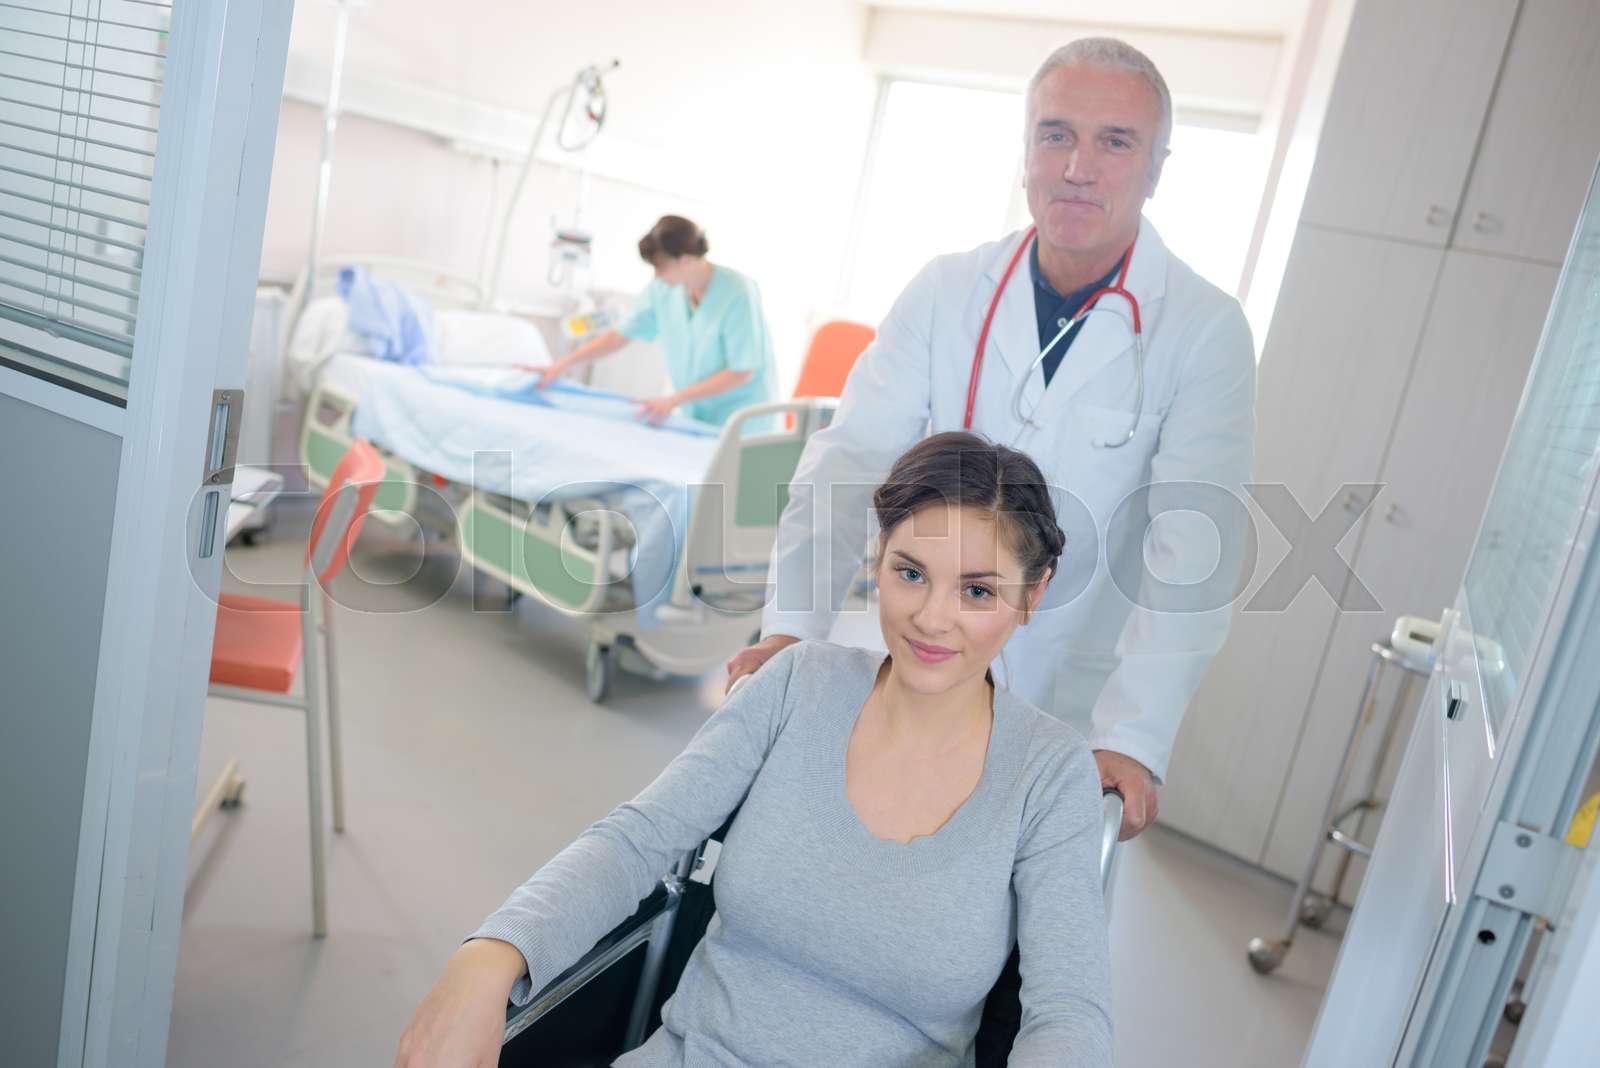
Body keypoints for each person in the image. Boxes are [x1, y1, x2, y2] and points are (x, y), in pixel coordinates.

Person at [395, 433, 1113, 1068]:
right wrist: (490, 956)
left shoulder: (1048, 774)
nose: (932, 618)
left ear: (1033, 594)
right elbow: (637, 840)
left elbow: (1067, 1013)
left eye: (978, 591)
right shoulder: (797, 684)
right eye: (911, 572)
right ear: (879, 559)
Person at [728, 37, 1257, 842]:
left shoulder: (1204, 328)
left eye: (1116, 142)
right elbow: (850, 462)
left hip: (1066, 693)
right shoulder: (948, 289)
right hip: (914, 654)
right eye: (1056, 134)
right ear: (1026, 150)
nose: (1077, 167)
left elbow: (1194, 544)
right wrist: (791, 631)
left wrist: (1133, 735)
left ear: (1156, 169)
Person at [534, 214, 779, 427]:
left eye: (662, 268)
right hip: (697, 416)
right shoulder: (663, 290)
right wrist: (562, 365)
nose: (657, 276)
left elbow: (742, 371)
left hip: (744, 421)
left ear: (686, 260)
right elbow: (620, 335)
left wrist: (674, 399)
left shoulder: (737, 292)